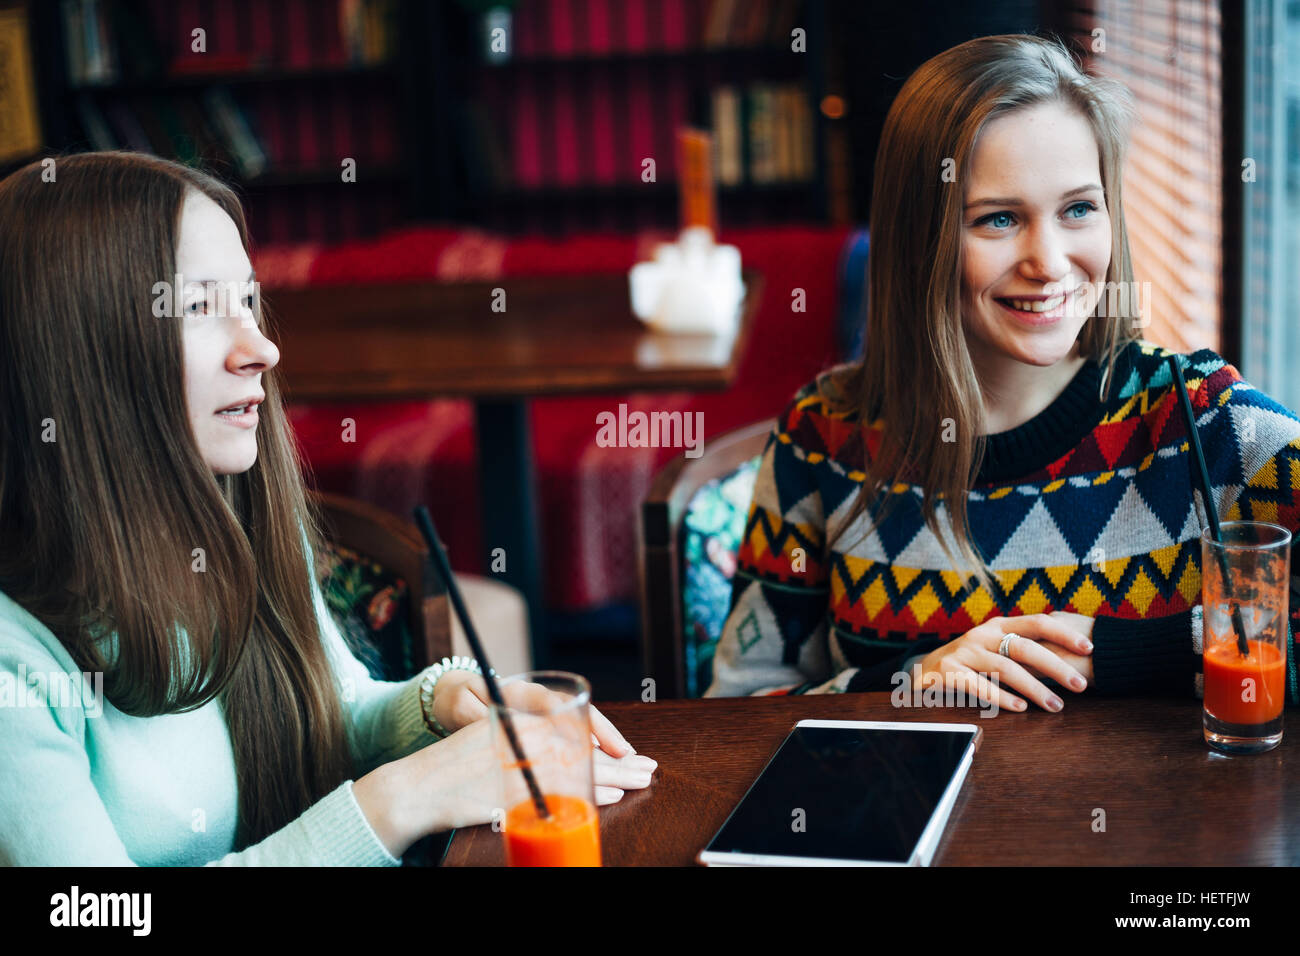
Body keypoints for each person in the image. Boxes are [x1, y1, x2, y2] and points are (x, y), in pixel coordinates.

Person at [0, 151, 656, 866]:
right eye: (196, 307)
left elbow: (336, 712)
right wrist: (402, 798)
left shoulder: (222, 532)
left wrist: (441, 701)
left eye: (248, 301)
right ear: (71, 352)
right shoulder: (15, 668)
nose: (262, 348)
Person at [706, 34, 1300, 711]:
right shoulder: (821, 438)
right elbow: (738, 709)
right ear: (919, 237)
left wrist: (1126, 653)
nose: (1048, 261)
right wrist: (910, 681)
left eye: (1079, 208)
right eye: (997, 220)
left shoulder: (1207, 423)